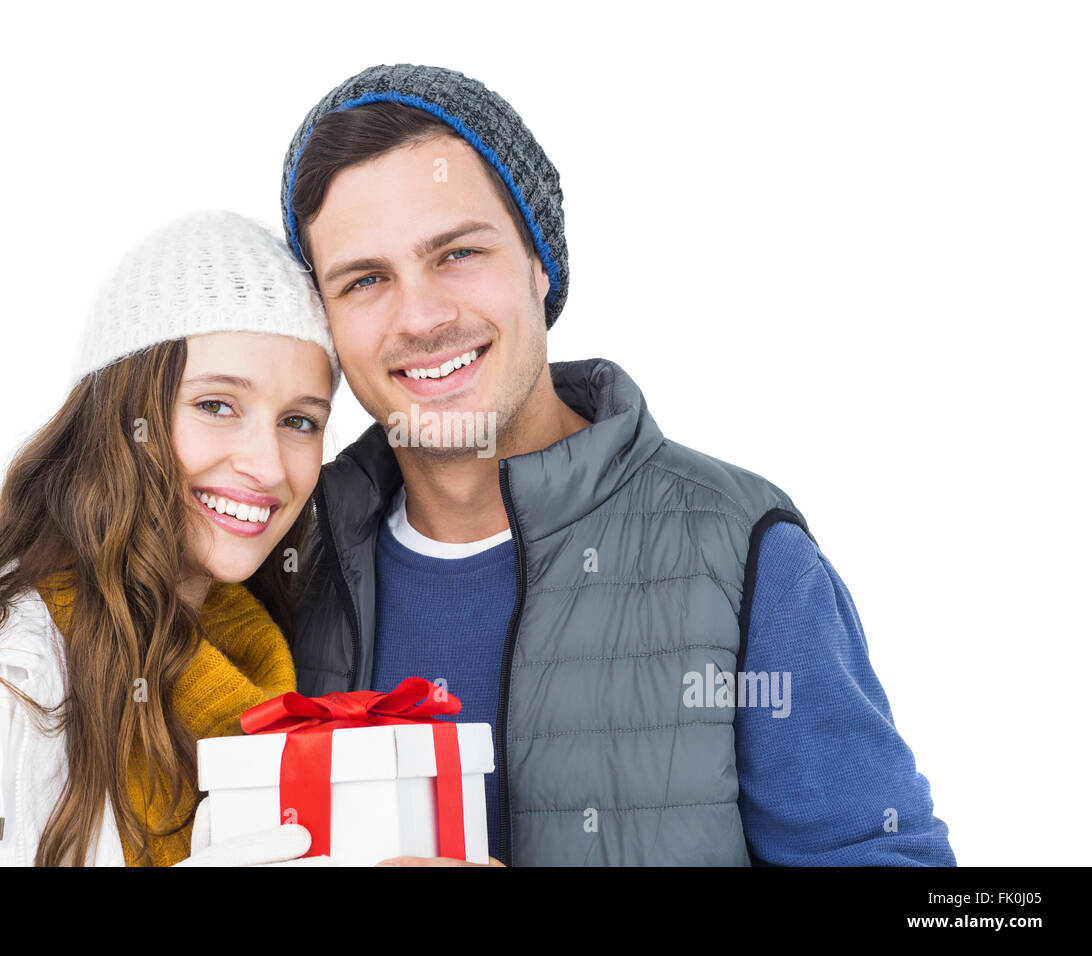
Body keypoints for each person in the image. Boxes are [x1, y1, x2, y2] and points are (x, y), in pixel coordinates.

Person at [280, 64, 957, 866]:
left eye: (458, 253)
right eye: (365, 280)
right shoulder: (279, 563)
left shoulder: (741, 554)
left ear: (540, 263)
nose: (422, 316)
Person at [0, 211, 333, 866]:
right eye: (216, 405)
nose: (269, 465)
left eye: (300, 420)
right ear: (121, 419)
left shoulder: (283, 661)